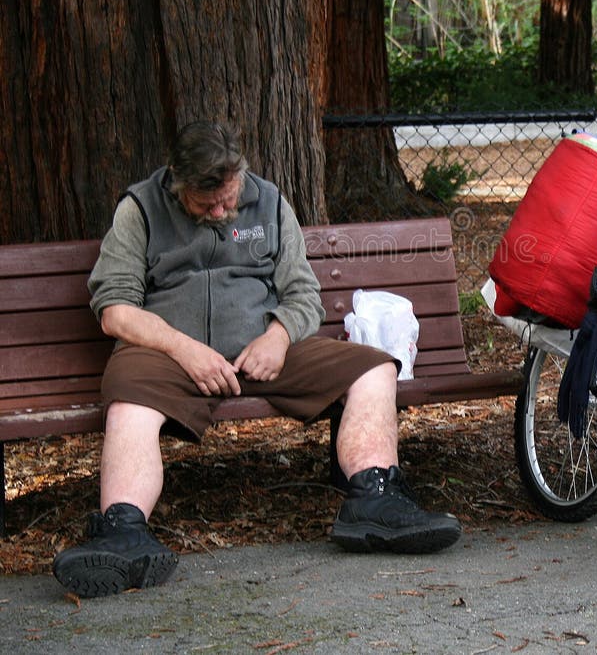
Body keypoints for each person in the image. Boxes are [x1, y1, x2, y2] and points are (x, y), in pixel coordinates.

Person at [52, 120, 461, 598]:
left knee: (374, 368)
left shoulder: (268, 200)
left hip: (261, 352)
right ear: (177, 182)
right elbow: (116, 310)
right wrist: (184, 349)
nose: (224, 210)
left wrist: (279, 336)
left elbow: (304, 295)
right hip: (167, 356)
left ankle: (375, 497)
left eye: (230, 197)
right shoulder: (139, 209)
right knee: (129, 403)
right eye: (208, 205)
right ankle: (123, 532)